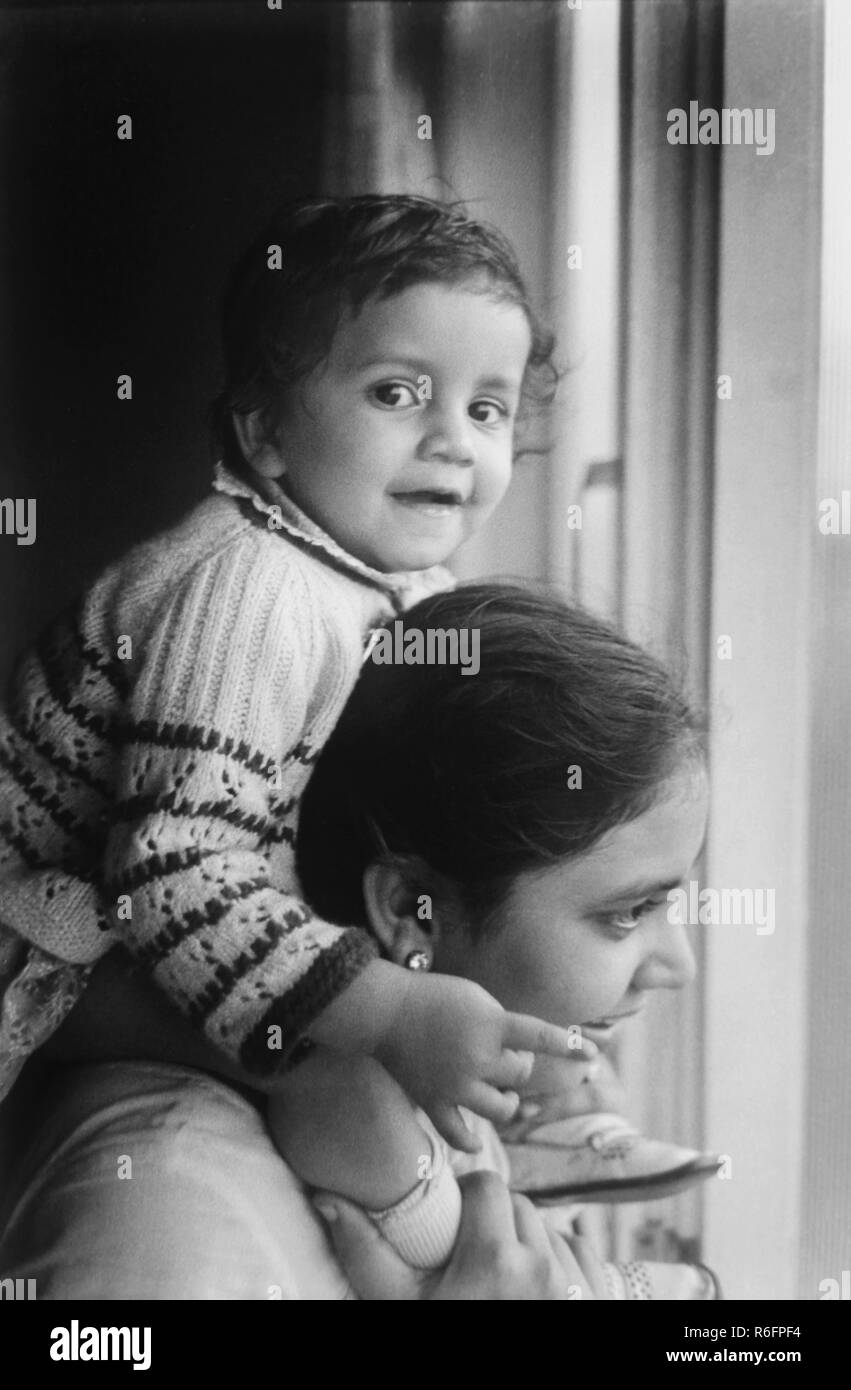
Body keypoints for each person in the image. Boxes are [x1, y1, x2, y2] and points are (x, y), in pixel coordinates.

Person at [0, 195, 715, 1278]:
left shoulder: (393, 573)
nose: (451, 441)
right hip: (58, 939)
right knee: (327, 1064)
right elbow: (172, 871)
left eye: (488, 409)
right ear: (264, 433)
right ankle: (445, 1245)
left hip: (144, 916)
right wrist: (385, 1008)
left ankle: (532, 1131)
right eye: (396, 394)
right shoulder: (249, 591)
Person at [0, 584, 720, 1300]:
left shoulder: (420, 1111)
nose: (676, 967)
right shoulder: (164, 1212)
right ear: (414, 909)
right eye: (627, 913)